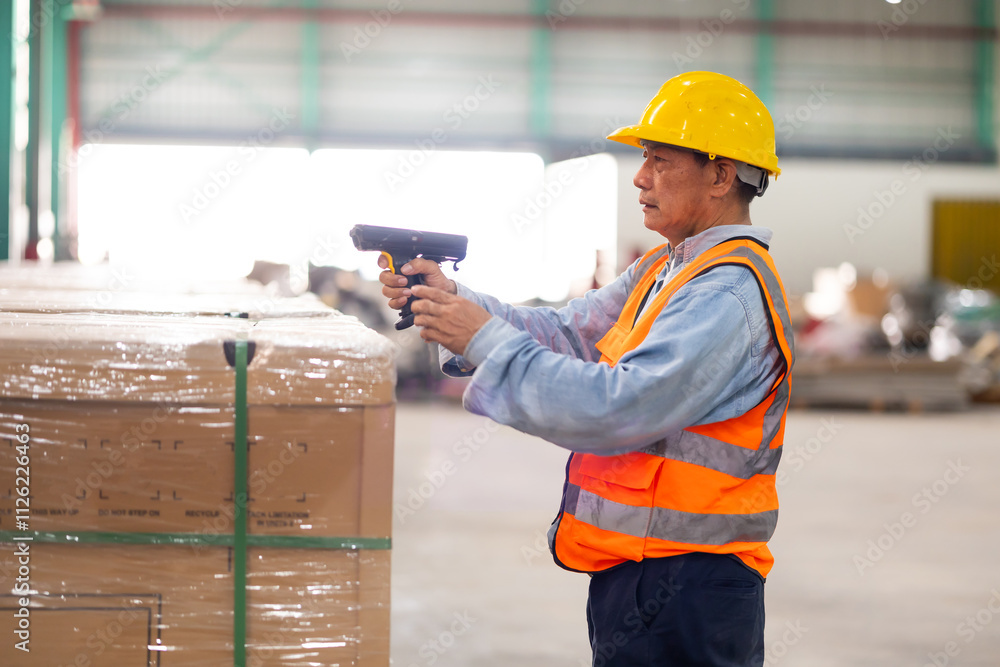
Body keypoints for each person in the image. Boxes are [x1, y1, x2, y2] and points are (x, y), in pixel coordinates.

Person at [377, 71, 794, 667]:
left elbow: (617, 408)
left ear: (722, 174)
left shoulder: (726, 293)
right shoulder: (666, 269)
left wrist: (482, 337)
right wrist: (453, 301)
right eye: (642, 158)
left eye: (659, 159)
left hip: (690, 586)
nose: (641, 177)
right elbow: (567, 332)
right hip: (640, 568)